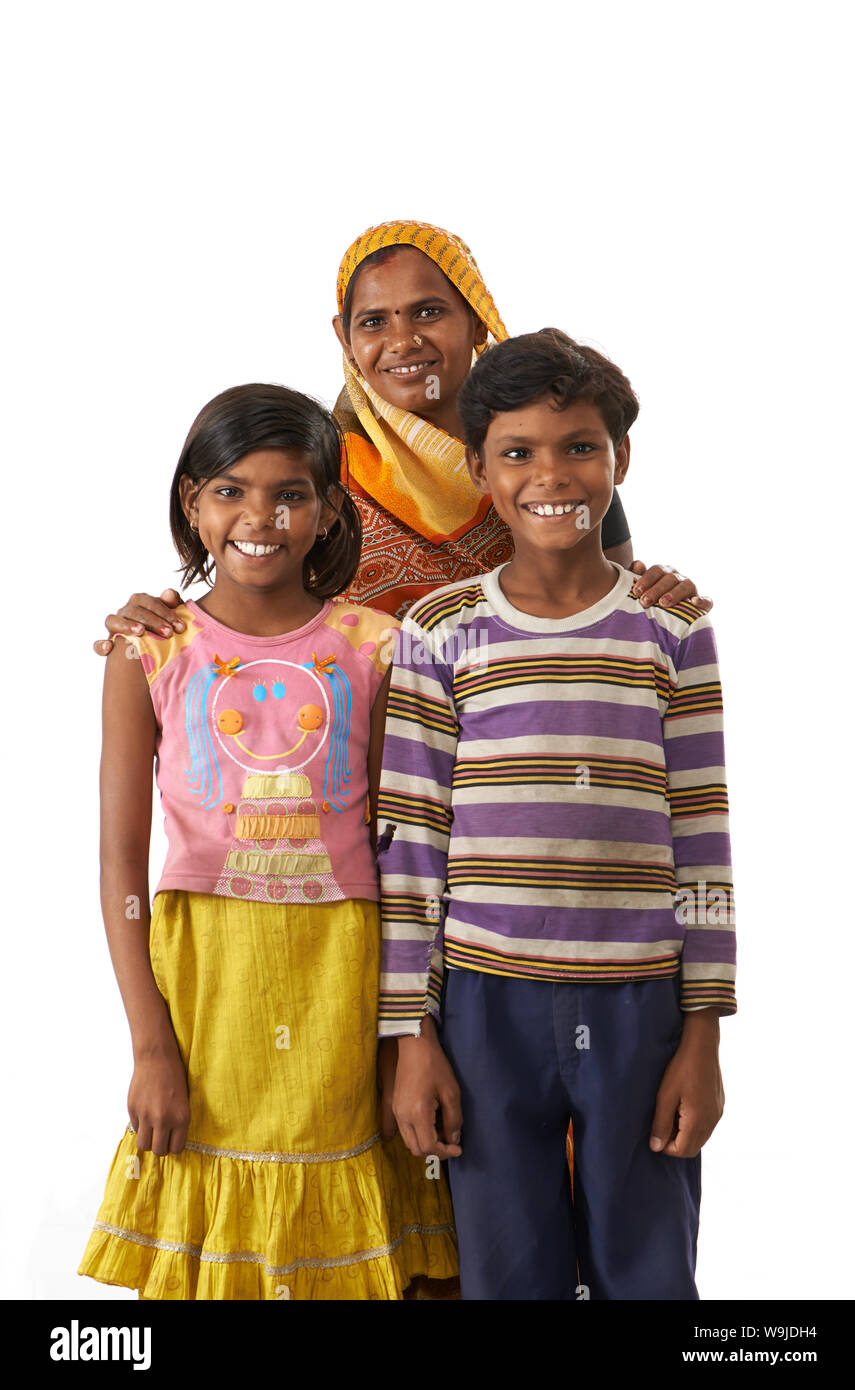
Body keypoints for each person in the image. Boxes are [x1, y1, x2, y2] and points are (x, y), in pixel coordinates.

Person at [78, 383, 459, 1299]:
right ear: (191, 502)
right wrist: (150, 1047)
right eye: (231, 491)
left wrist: (413, 1034)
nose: (261, 517)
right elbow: (120, 863)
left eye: (290, 493)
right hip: (208, 982)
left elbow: (407, 853)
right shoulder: (152, 652)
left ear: (329, 508)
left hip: (346, 970)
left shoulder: (378, 648)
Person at [377, 331, 736, 1300]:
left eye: (580, 446)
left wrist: (703, 1030)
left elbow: (702, 836)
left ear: (621, 458)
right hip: (485, 1006)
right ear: (482, 469)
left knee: (650, 1271)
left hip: (640, 1007)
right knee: (507, 1274)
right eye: (519, 452)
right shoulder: (442, 631)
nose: (552, 475)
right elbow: (411, 843)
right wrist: (413, 1034)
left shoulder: (672, 628)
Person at [92, 219, 710, 652]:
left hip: (515, 768)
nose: (403, 341)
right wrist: (167, 628)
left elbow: (610, 618)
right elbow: (253, 589)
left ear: (476, 317)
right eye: (374, 321)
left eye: (429, 312)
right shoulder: (325, 467)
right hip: (348, 785)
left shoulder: (550, 465)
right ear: (344, 338)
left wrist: (658, 590)